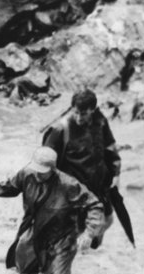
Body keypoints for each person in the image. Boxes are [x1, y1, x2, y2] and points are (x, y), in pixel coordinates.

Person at [0, 147, 104, 274]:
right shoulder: (26, 173)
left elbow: (95, 205)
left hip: (62, 235)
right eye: (36, 169)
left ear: (53, 169)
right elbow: (8, 187)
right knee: (22, 272)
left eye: (43, 172)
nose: (38, 174)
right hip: (35, 229)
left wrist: (89, 233)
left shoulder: (69, 184)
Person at [42, 88, 121, 245]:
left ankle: (92, 251)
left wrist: (116, 174)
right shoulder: (60, 130)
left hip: (99, 184)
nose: (78, 117)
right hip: (74, 191)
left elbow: (110, 148)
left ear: (93, 110)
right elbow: (44, 162)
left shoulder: (100, 121)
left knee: (107, 221)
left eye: (83, 114)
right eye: (76, 112)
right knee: (74, 234)